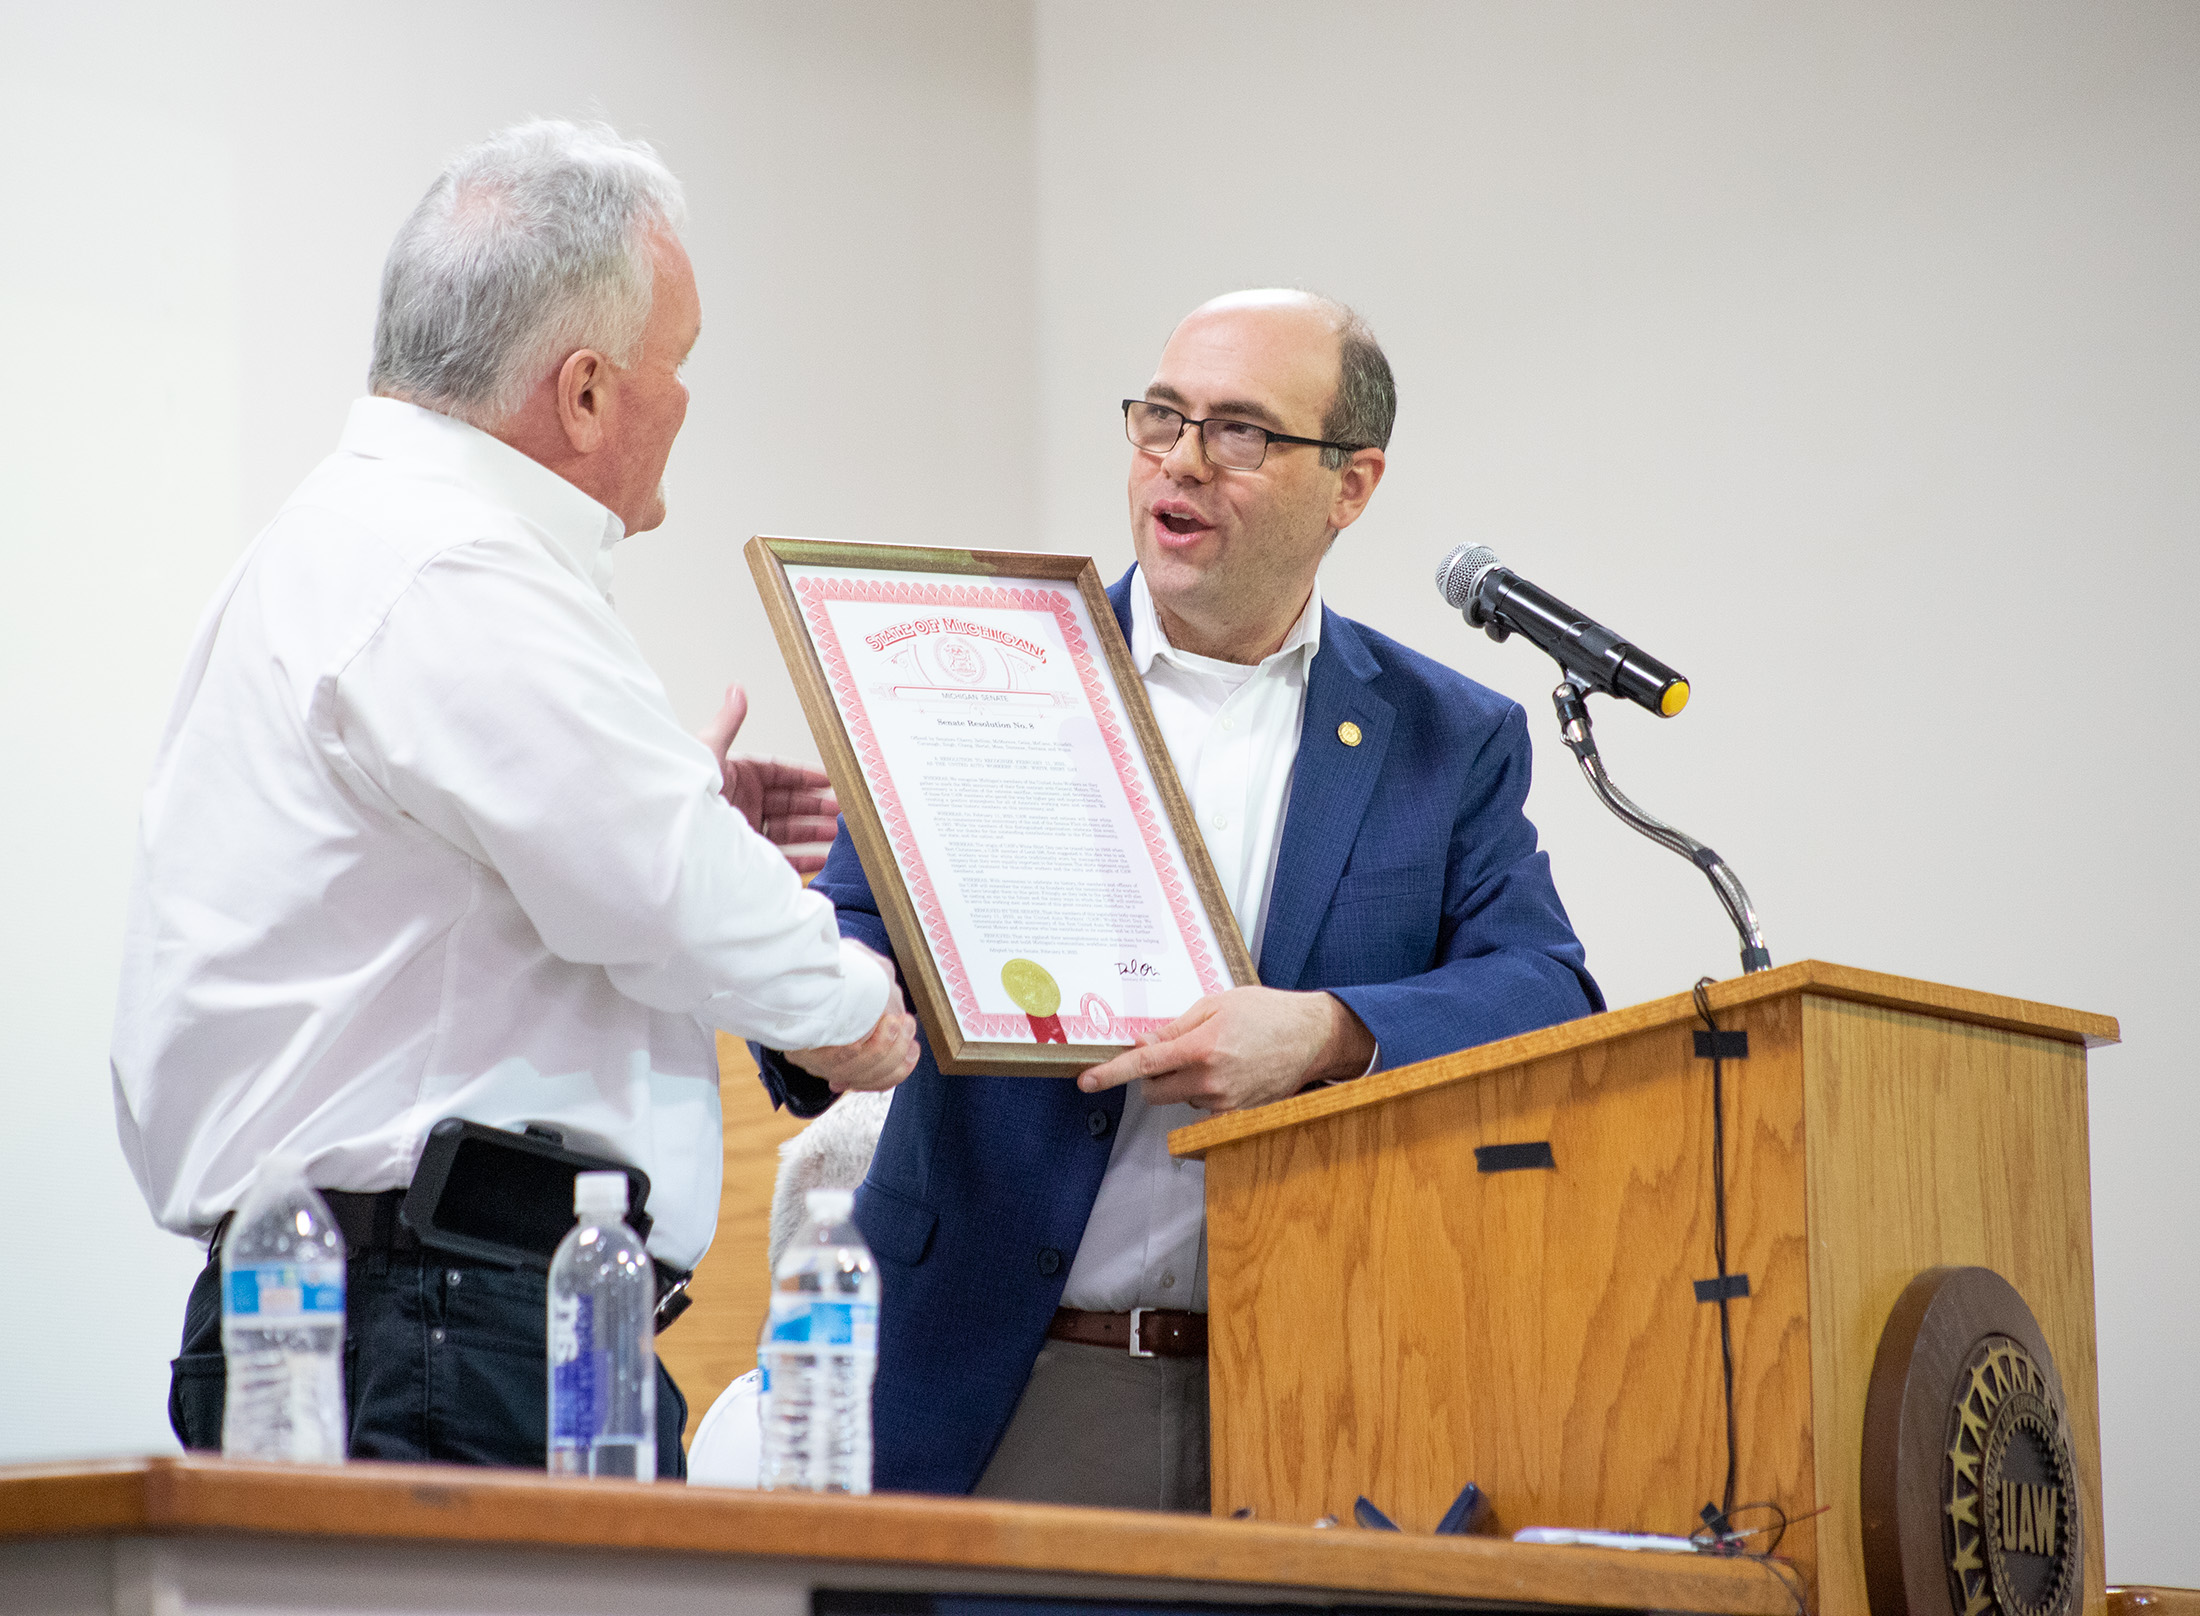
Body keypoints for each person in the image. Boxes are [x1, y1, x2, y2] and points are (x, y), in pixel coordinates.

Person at [111, 120, 917, 1478]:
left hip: (390, 1313)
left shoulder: (355, 540)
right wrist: (858, 1014)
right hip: (450, 1326)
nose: (686, 403)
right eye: (684, 365)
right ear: (590, 392)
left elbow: (538, 855)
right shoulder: (453, 564)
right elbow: (656, 883)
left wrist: (671, 794)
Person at [756, 289, 1604, 1509]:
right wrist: (817, 996)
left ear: (1350, 484)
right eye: (1161, 417)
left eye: (1242, 432)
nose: (1183, 462)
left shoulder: (1444, 736)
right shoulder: (968, 663)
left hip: (1312, 1402)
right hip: (993, 1387)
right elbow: (852, 936)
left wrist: (1324, 1030)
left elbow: (1545, 993)